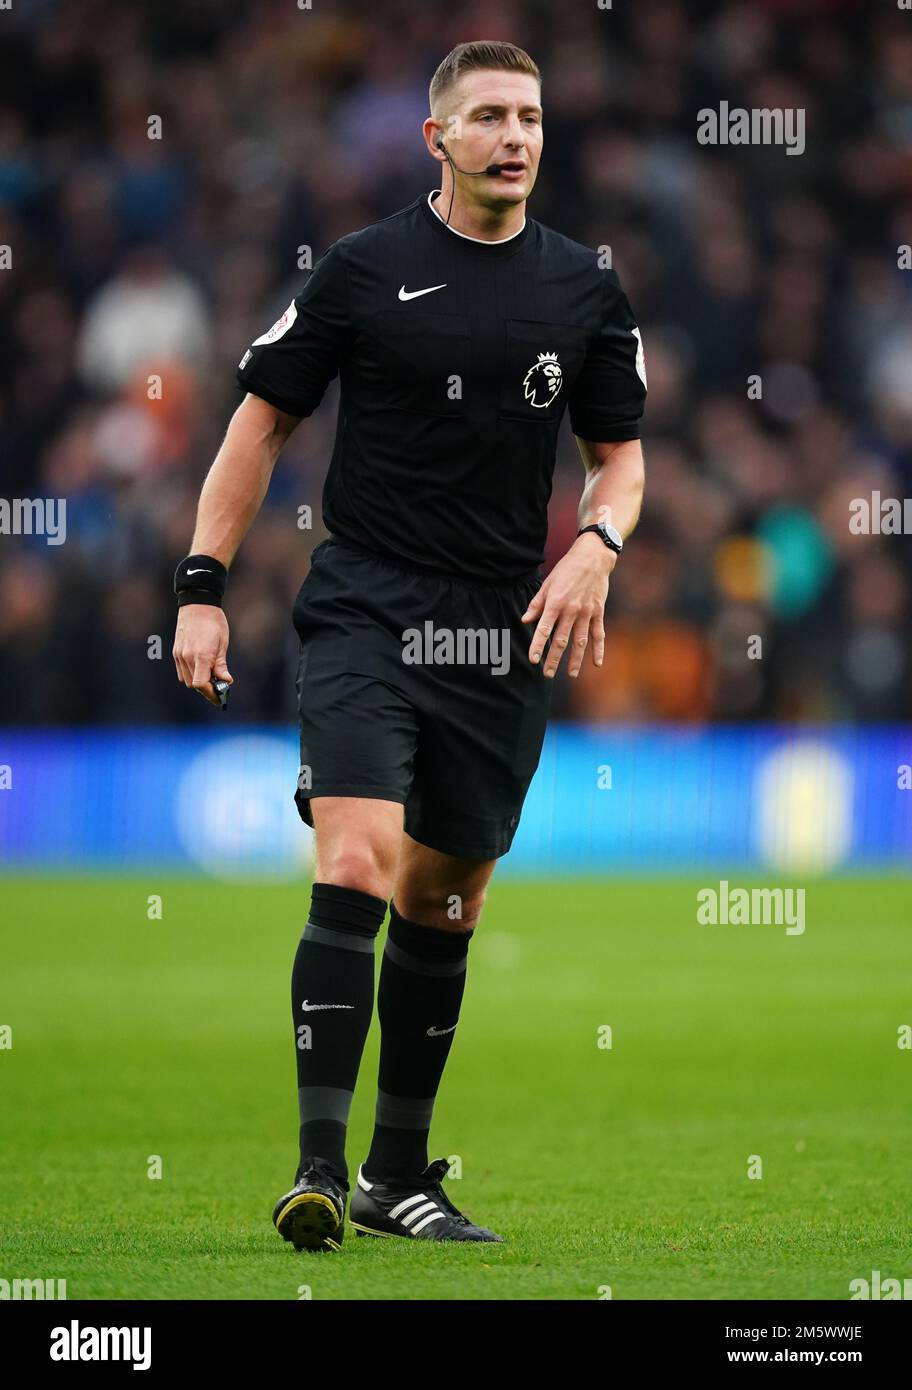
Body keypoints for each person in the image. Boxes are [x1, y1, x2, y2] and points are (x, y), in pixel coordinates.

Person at [172, 39, 646, 1251]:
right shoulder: (362, 270)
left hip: (502, 626)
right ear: (438, 138)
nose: (516, 136)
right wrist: (202, 585)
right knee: (358, 859)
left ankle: (396, 1173)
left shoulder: (584, 289)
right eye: (489, 115)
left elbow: (621, 455)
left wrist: (596, 542)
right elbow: (260, 423)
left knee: (449, 897)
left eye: (531, 116)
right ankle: (318, 1169)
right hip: (368, 604)